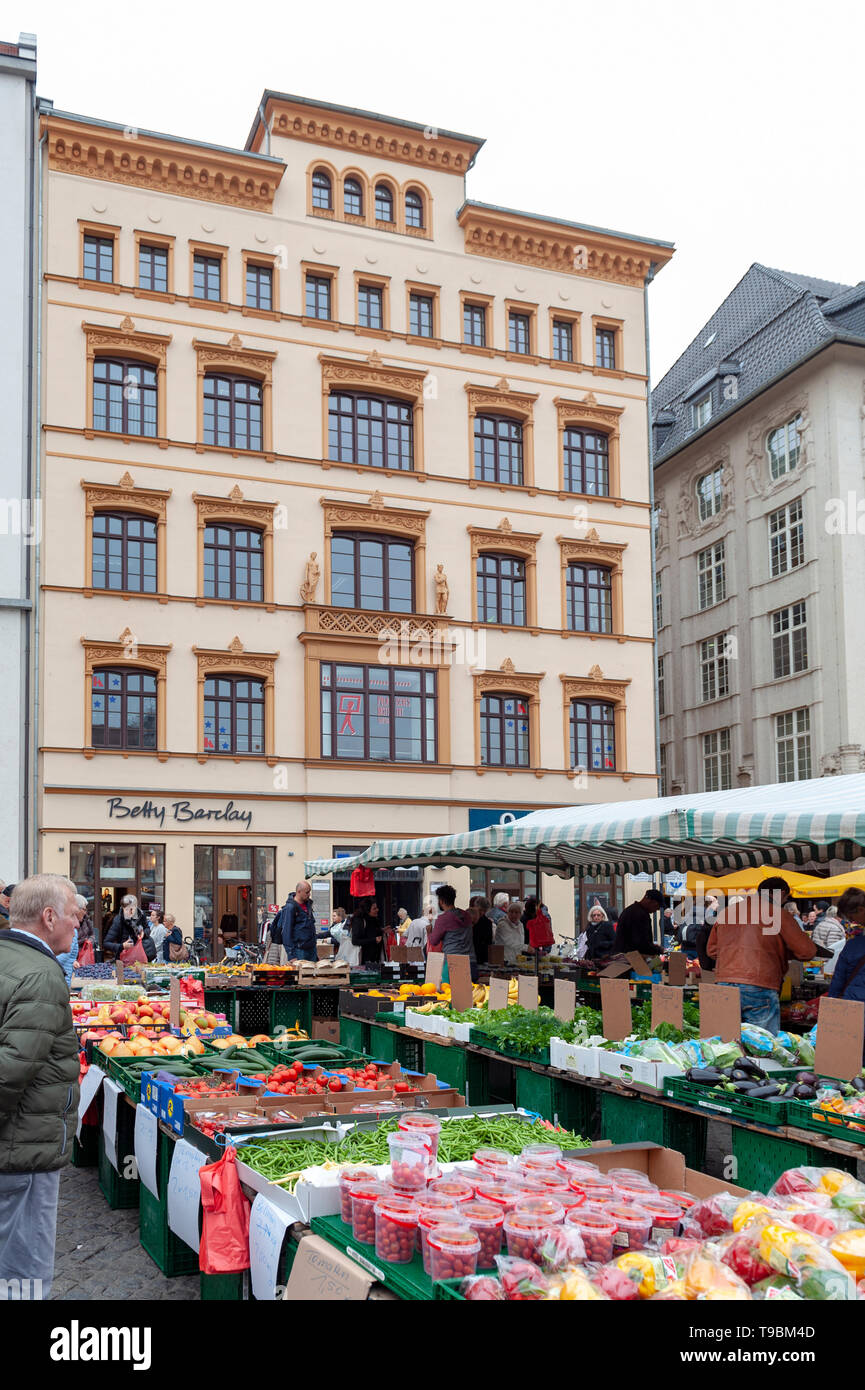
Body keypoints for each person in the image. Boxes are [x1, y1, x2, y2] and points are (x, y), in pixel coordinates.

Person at [0, 875, 80, 1299]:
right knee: (22, 1275)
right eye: (71, 916)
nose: (76, 926)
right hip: (24, 1150)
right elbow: (10, 1071)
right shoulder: (43, 976)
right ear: (48, 917)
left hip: (17, 1145)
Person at [706, 876, 828, 1033]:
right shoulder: (778, 914)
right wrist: (780, 952)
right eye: (786, 898)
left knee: (726, 1043)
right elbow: (807, 951)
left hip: (724, 981)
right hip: (760, 985)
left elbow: (712, 950)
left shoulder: (728, 912)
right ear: (782, 893)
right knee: (762, 1046)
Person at [827, 890, 865, 1030]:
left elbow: (838, 981)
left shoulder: (854, 945)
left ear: (861, 909)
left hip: (854, 1008)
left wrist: (831, 1009)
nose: (852, 921)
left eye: (851, 916)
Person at [428, 885, 477, 977]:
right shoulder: (466, 915)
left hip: (453, 963)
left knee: (450, 990)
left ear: (441, 901)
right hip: (471, 962)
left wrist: (429, 932)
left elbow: (434, 941)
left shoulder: (443, 919)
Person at [613, 889, 665, 957]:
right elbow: (640, 942)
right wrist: (658, 949)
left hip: (625, 955)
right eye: (657, 906)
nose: (656, 910)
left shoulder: (631, 910)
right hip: (632, 958)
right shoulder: (640, 914)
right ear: (651, 901)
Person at [55, 893, 89, 985]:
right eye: (84, 909)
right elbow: (63, 955)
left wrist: (72, 960)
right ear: (76, 909)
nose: (85, 912)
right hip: (62, 978)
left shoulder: (70, 927)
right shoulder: (70, 929)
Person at [279, 881, 317, 963]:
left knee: (311, 975)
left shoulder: (308, 904)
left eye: (309, 892)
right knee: (302, 975)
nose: (309, 894)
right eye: (307, 892)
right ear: (299, 892)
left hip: (311, 948)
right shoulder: (290, 908)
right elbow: (286, 932)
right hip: (299, 950)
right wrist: (291, 955)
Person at [350, 897, 383, 965]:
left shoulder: (374, 919)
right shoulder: (359, 920)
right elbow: (355, 941)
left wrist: (382, 930)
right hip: (363, 960)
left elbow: (371, 932)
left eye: (376, 908)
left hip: (375, 960)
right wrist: (374, 940)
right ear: (367, 910)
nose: (377, 910)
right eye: (374, 909)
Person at [494, 901, 526, 966]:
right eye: (511, 912)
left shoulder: (520, 925)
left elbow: (521, 941)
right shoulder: (502, 924)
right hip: (503, 960)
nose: (514, 914)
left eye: (516, 912)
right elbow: (510, 942)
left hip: (516, 960)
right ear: (507, 913)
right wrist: (527, 947)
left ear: (520, 914)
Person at [469, 895, 493, 966]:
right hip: (469, 954)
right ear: (474, 906)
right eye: (480, 910)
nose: (482, 913)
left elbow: (489, 942)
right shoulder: (467, 918)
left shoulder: (488, 923)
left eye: (484, 911)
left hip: (482, 957)